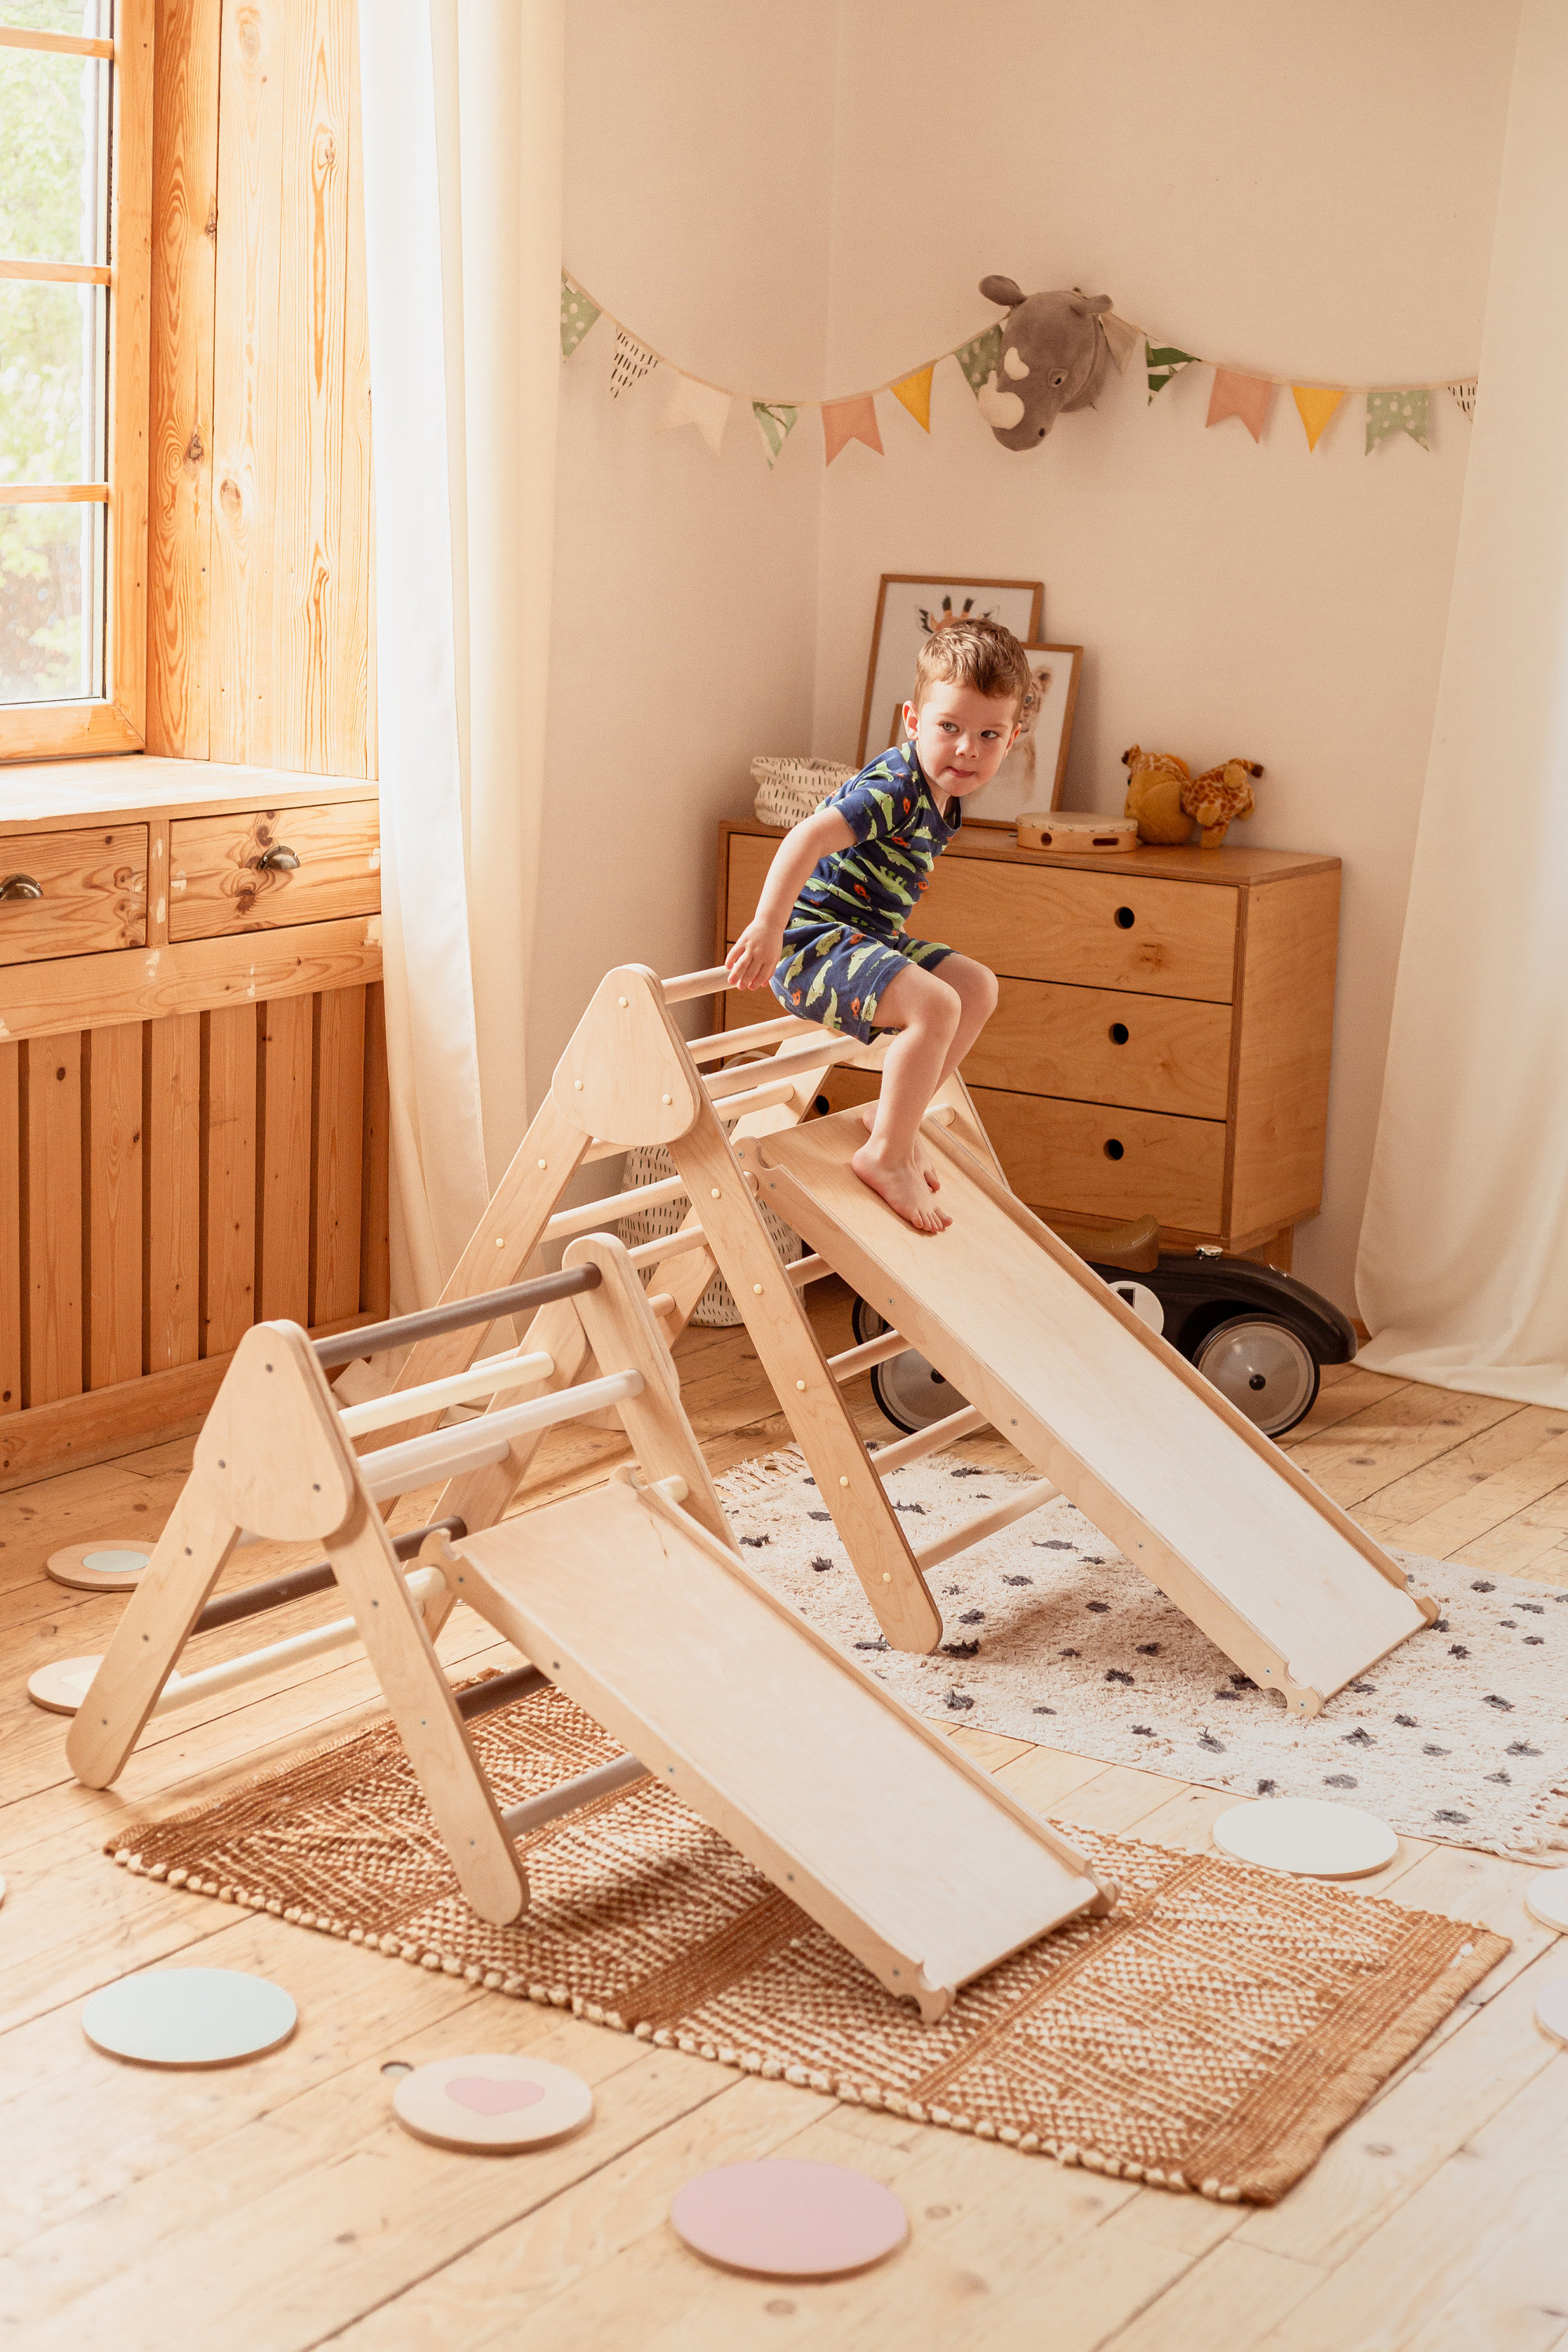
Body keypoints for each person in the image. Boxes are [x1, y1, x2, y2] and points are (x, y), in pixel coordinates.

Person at [724, 616, 1029, 1233]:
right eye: (949, 728)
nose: (967, 749)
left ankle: (896, 1123)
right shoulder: (896, 788)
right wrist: (768, 925)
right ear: (913, 721)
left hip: (866, 938)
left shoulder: (944, 793)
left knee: (976, 987)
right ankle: (885, 1155)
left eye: (988, 735)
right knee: (937, 1006)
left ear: (1012, 738)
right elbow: (807, 836)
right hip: (811, 945)